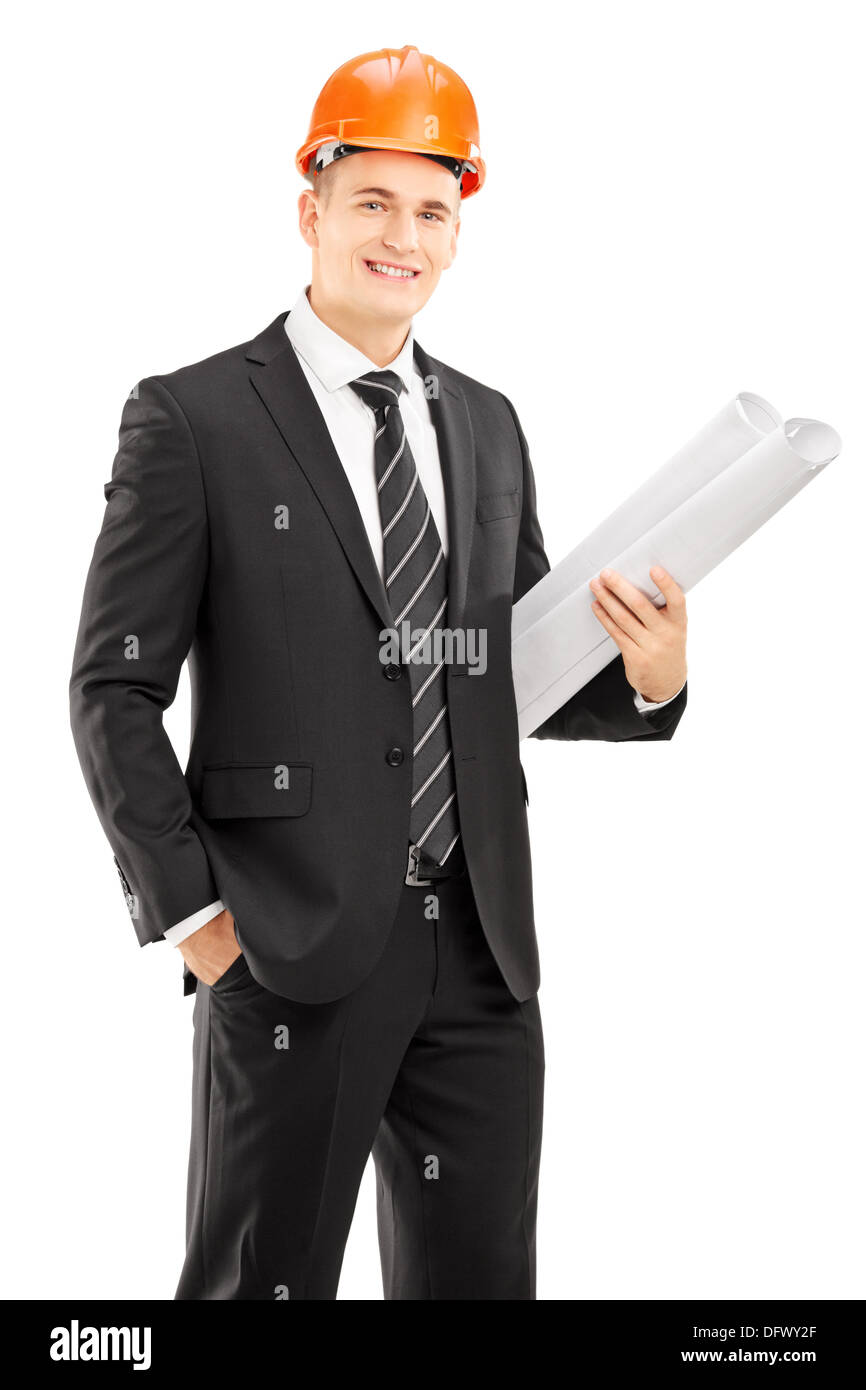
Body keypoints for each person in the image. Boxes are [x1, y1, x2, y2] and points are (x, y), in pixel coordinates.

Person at [69, 44, 688, 1301]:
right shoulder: (193, 419)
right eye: (372, 203)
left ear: (458, 235)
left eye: (431, 211)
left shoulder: (485, 421)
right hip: (286, 940)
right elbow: (113, 688)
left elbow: (508, 668)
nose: (400, 237)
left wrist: (648, 679)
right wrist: (194, 918)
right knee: (261, 1283)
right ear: (311, 211)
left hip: (478, 952)